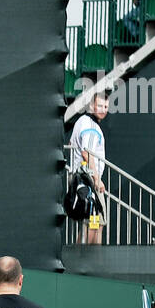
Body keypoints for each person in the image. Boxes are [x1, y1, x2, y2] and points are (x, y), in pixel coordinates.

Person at [68, 92, 108, 245]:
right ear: (92, 106)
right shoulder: (90, 126)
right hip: (88, 180)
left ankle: (83, 260)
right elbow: (87, 153)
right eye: (99, 106)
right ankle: (90, 262)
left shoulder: (82, 121)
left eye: (106, 106)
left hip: (82, 179)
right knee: (95, 224)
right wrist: (97, 179)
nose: (103, 109)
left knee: (91, 224)